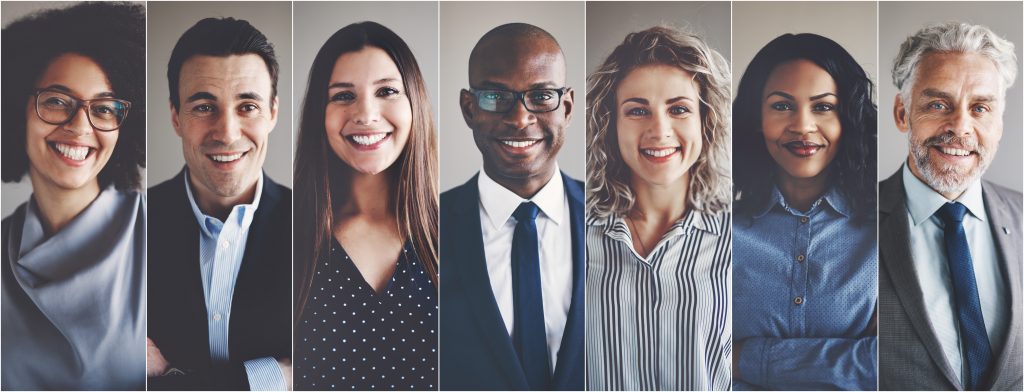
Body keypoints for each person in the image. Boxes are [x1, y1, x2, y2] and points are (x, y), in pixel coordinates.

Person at [0, 3, 146, 390]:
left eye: (105, 108)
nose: (80, 127)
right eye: (56, 101)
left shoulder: (163, 231)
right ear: (16, 110)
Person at [146, 17, 292, 390]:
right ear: (176, 117)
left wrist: (170, 379)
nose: (227, 133)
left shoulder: (322, 226)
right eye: (203, 107)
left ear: (272, 113)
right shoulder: (125, 227)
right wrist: (278, 376)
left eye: (248, 106)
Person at [292, 21, 439, 390]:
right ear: (319, 113)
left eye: (386, 91)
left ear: (415, 103)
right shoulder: (285, 233)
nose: (366, 114)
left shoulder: (464, 232)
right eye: (343, 95)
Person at [584, 26, 732, 391]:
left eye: (679, 109)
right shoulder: (572, 236)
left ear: (706, 121)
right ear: (611, 125)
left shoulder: (742, 237)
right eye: (638, 111)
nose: (660, 130)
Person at [439, 23, 584, 390]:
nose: (520, 119)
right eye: (495, 96)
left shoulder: (614, 217)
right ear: (469, 108)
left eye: (542, 96)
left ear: (567, 107)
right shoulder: (421, 227)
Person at [880, 22, 1022, 391]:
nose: (960, 127)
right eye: (938, 104)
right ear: (902, 113)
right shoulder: (854, 222)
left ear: (999, 124)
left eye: (980, 108)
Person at [731, 33, 878, 390]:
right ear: (756, 117)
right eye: (782, 106)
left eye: (823, 107)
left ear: (848, 117)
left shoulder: (886, 230)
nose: (802, 126)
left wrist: (743, 358)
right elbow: (698, 354)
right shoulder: (719, 232)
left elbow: (881, 363)